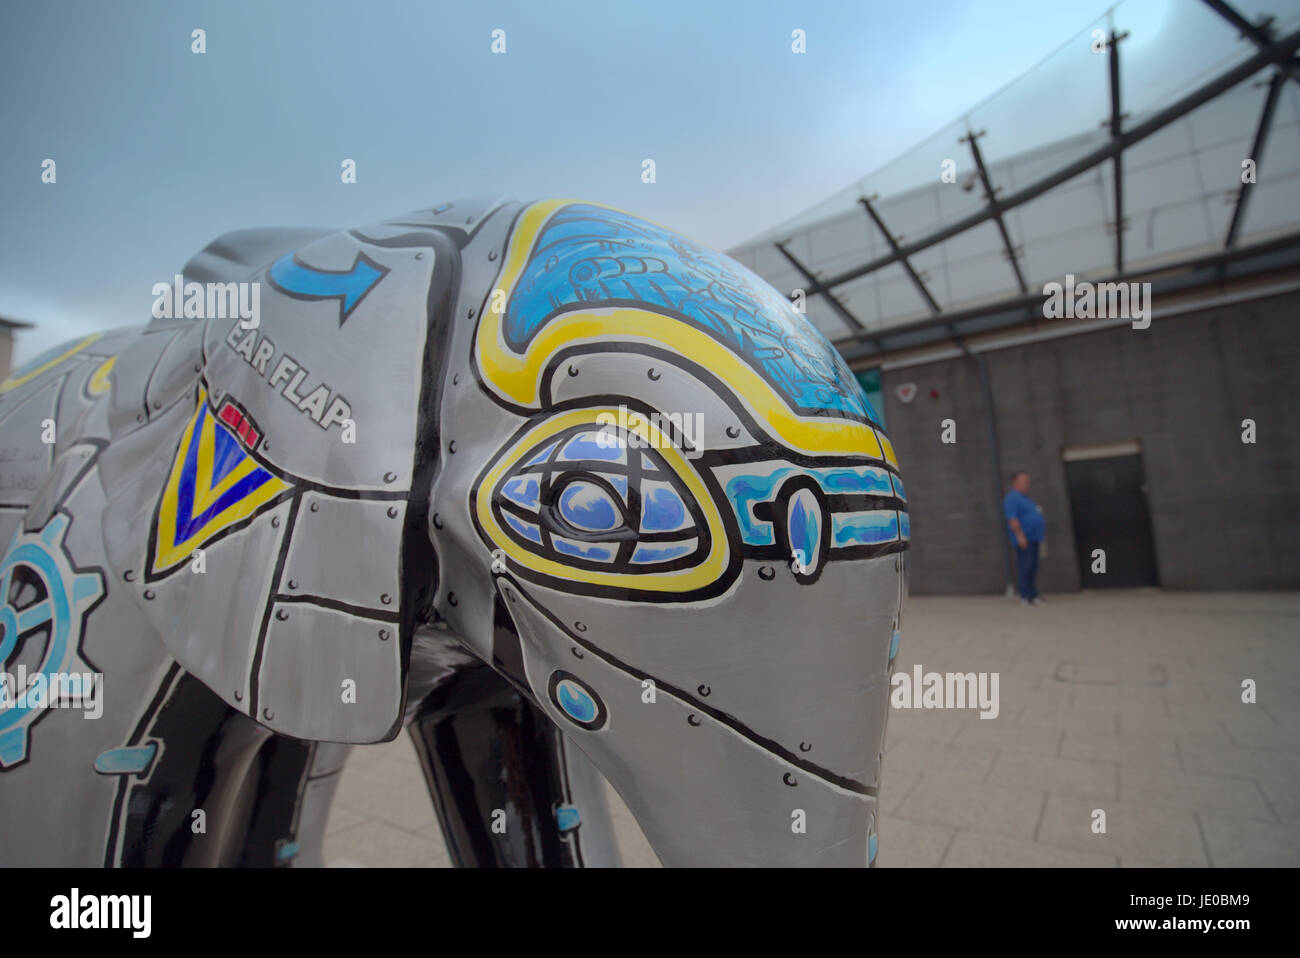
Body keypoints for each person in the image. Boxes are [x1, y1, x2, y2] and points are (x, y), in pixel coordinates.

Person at [1003, 471, 1045, 606]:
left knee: (1033, 566)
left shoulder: (1026, 499)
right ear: (1015, 483)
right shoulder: (1012, 498)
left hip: (1034, 538)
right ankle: (1025, 596)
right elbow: (1012, 519)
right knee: (1025, 567)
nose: (1027, 484)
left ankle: (1034, 595)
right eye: (1024, 481)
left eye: (1028, 481)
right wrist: (1020, 536)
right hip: (1024, 539)